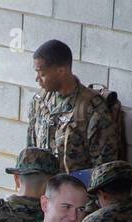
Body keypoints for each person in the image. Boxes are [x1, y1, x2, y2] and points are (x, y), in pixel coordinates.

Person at [26, 39, 121, 177]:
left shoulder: (92, 107)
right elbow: (30, 152)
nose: (37, 79)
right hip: (43, 193)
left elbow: (104, 167)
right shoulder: (39, 102)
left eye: (42, 73)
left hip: (76, 194)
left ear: (61, 70)